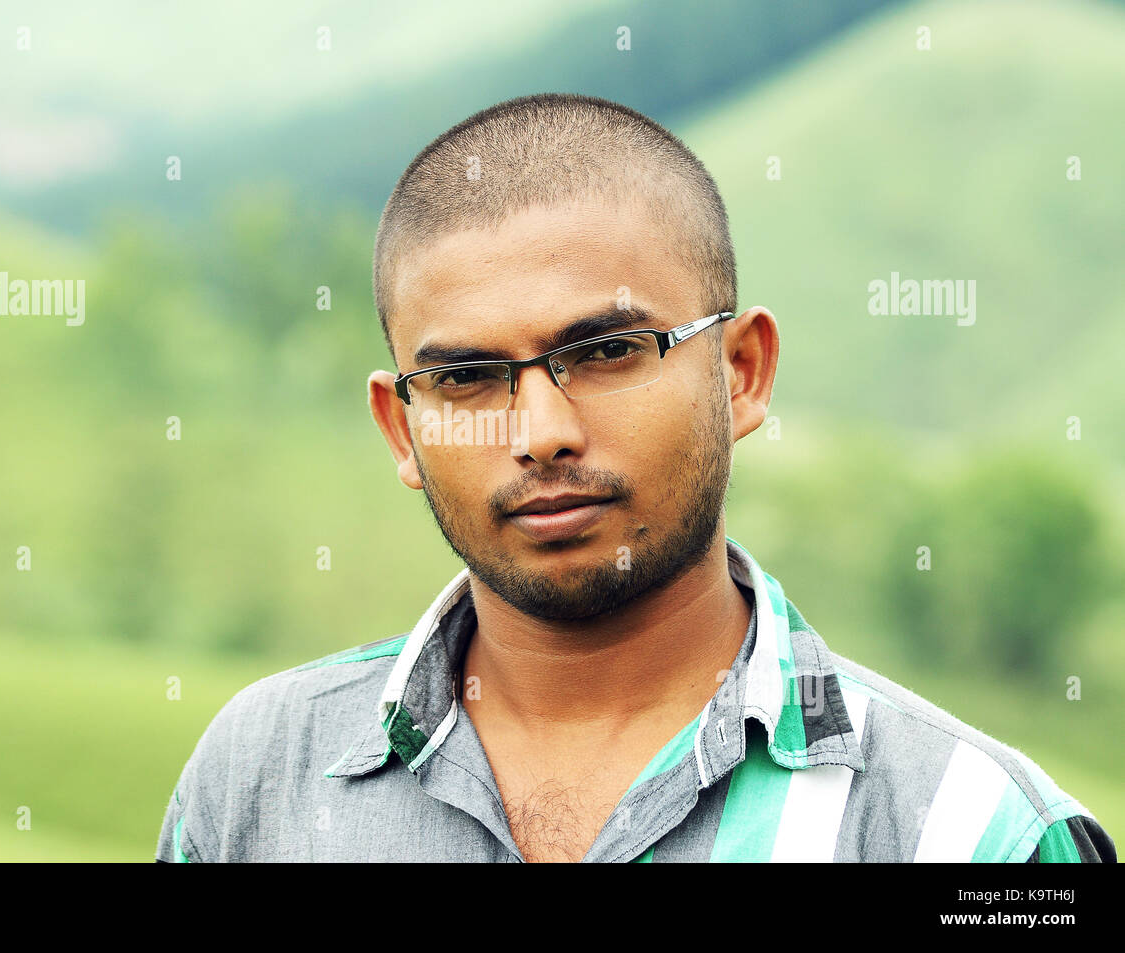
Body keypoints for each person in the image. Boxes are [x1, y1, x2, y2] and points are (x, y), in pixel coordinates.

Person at [156, 93, 1115, 863]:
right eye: (466, 377)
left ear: (742, 372)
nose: (540, 433)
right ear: (403, 427)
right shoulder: (261, 778)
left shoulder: (974, 835)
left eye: (609, 350)